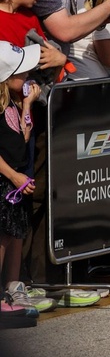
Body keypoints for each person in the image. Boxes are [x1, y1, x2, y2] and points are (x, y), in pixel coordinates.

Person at [0, 42, 46, 319]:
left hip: (15, 183)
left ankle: (13, 287)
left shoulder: (13, 107)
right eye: (22, 71)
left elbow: (22, 138)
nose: (28, 75)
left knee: (16, 234)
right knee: (3, 237)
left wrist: (27, 104)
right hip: (5, 182)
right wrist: (15, 176)